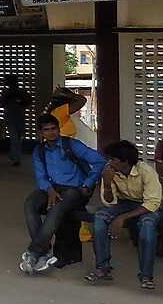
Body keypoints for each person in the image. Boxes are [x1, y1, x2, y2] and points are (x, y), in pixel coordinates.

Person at [22, 113, 106, 274]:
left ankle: (34, 252)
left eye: (53, 129)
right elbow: (40, 176)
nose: (51, 133)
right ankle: (44, 250)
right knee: (30, 204)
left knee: (56, 207)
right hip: (53, 188)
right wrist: (49, 189)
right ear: (41, 133)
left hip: (76, 191)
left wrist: (88, 183)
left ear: (59, 130)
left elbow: (99, 161)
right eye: (46, 130)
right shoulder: (39, 151)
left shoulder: (71, 145)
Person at [85, 140, 163, 289]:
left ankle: (146, 276)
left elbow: (152, 203)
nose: (109, 162)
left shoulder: (146, 172)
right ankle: (103, 269)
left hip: (147, 206)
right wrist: (107, 183)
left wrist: (123, 218)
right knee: (100, 217)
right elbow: (109, 202)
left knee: (147, 226)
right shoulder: (110, 172)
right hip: (124, 204)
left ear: (125, 162)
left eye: (113, 159)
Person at [0, 74, 32, 166]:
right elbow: (2, 102)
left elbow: (28, 102)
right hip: (13, 117)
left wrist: (20, 100)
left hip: (16, 117)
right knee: (15, 139)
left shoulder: (20, 92)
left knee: (17, 138)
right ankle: (16, 159)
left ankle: (13, 155)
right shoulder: (8, 92)